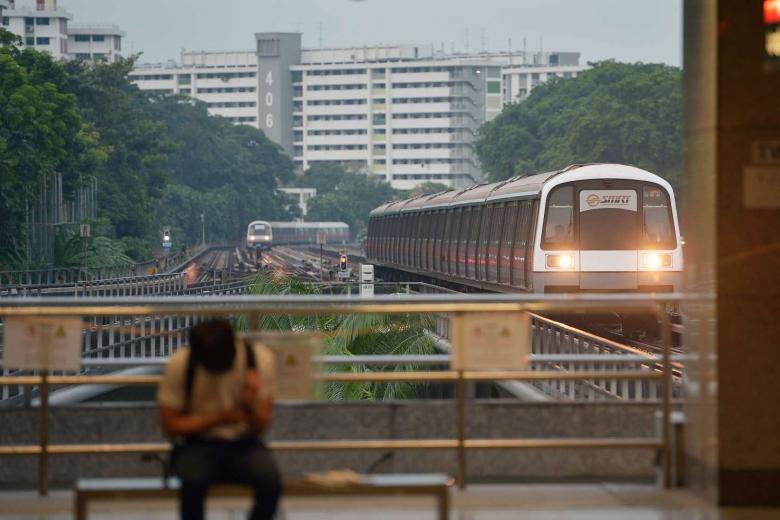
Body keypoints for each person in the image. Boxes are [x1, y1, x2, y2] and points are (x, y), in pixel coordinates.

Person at [158, 319, 281, 520]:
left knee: (271, 483)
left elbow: (260, 427)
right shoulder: (182, 363)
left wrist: (250, 401)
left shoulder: (258, 359)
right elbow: (170, 426)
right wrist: (221, 417)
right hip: (197, 443)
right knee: (192, 483)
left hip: (244, 442)